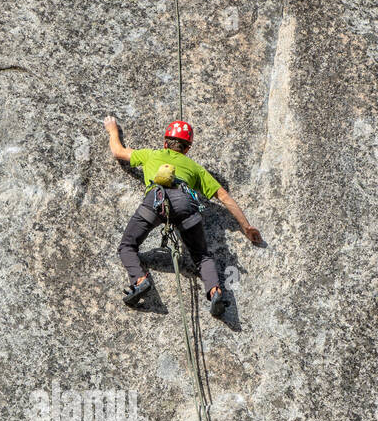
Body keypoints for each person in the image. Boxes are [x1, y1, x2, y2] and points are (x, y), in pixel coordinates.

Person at [104, 115, 261, 314]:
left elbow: (118, 151)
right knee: (202, 256)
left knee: (127, 245)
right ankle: (215, 292)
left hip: (156, 200)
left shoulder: (151, 155)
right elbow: (224, 196)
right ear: (187, 149)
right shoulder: (196, 169)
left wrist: (112, 129)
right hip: (186, 205)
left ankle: (140, 280)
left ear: (165, 143)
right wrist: (246, 227)